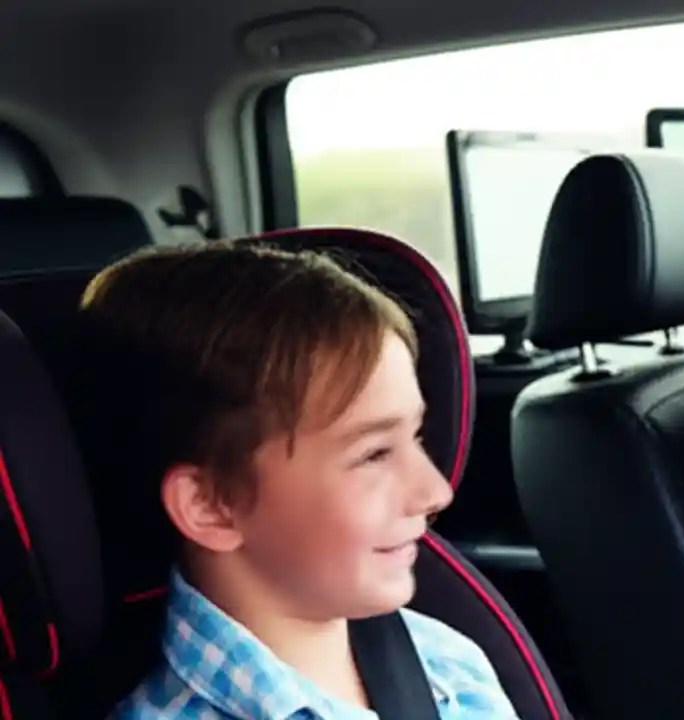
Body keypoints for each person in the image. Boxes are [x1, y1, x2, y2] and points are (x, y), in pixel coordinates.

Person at [82, 242, 518, 718]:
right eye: (374, 455)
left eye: (415, 436)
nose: (436, 493)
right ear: (210, 504)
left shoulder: (445, 665)